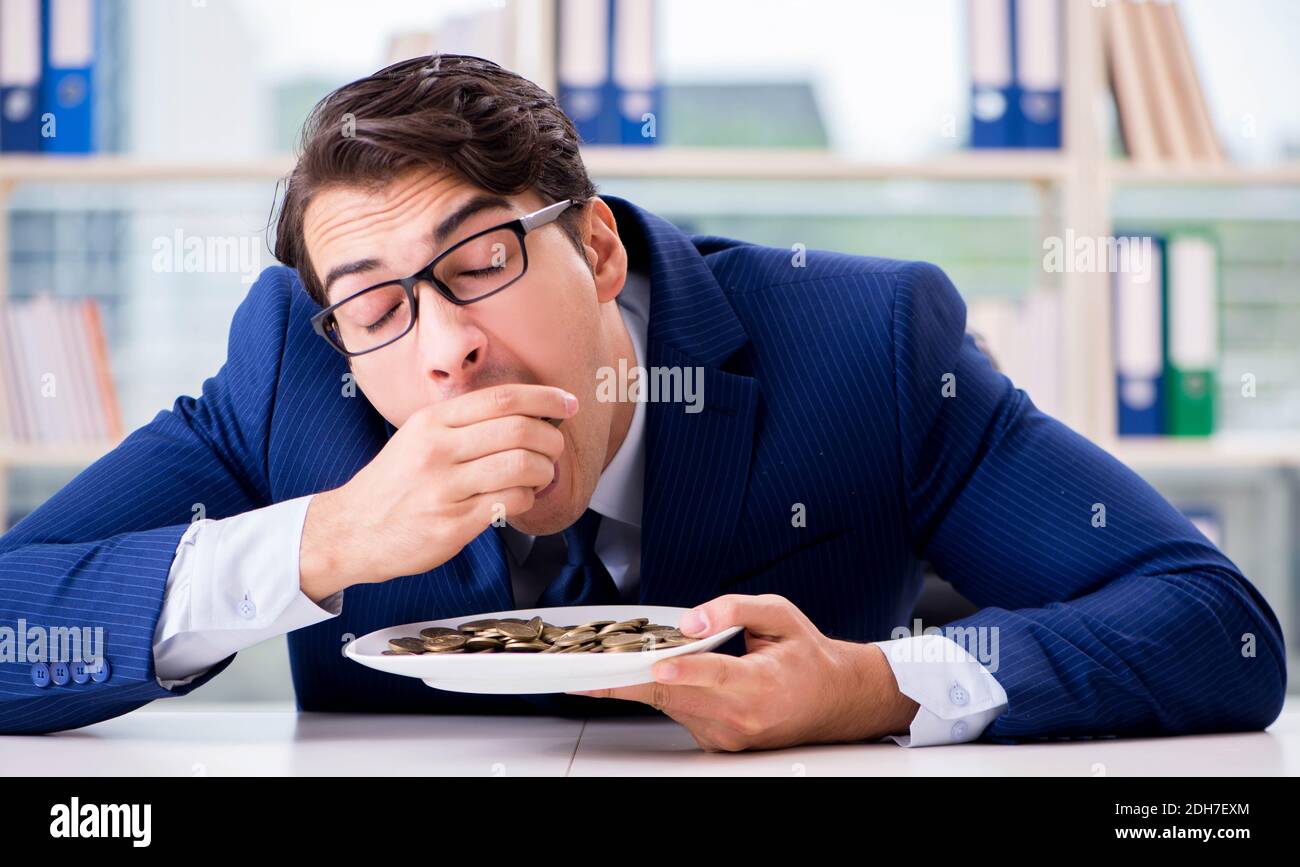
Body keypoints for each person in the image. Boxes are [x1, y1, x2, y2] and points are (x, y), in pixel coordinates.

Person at [0, 55, 1285, 750]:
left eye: (482, 260)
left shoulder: (866, 343)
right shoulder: (295, 364)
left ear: (599, 253)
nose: (442, 348)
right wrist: (318, 545)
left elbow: (1214, 623)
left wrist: (882, 686)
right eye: (379, 301)